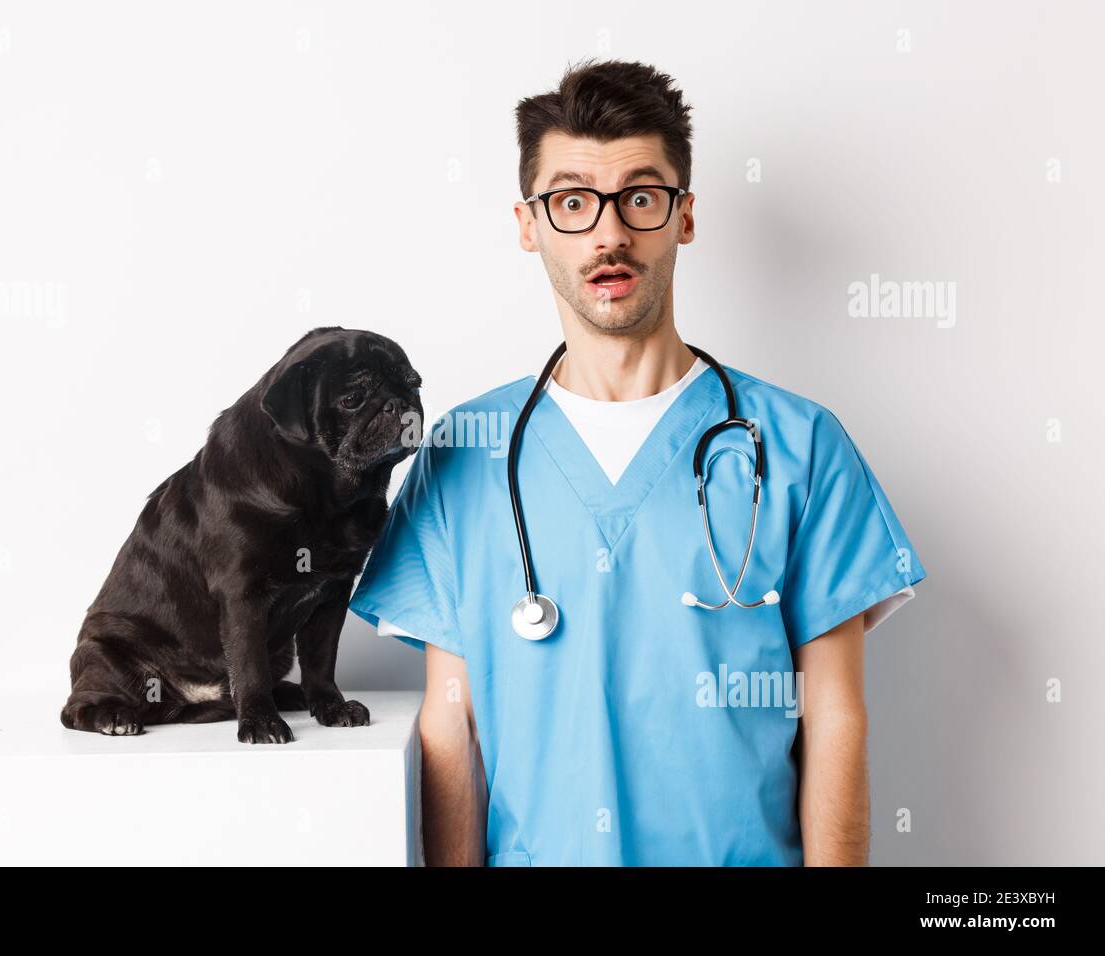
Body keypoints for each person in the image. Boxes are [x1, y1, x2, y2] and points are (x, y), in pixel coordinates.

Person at [348, 59, 926, 866]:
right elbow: (453, 725)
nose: (609, 234)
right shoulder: (464, 456)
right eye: (573, 202)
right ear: (529, 224)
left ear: (683, 217)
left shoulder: (799, 446)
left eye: (641, 198)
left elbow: (835, 717)